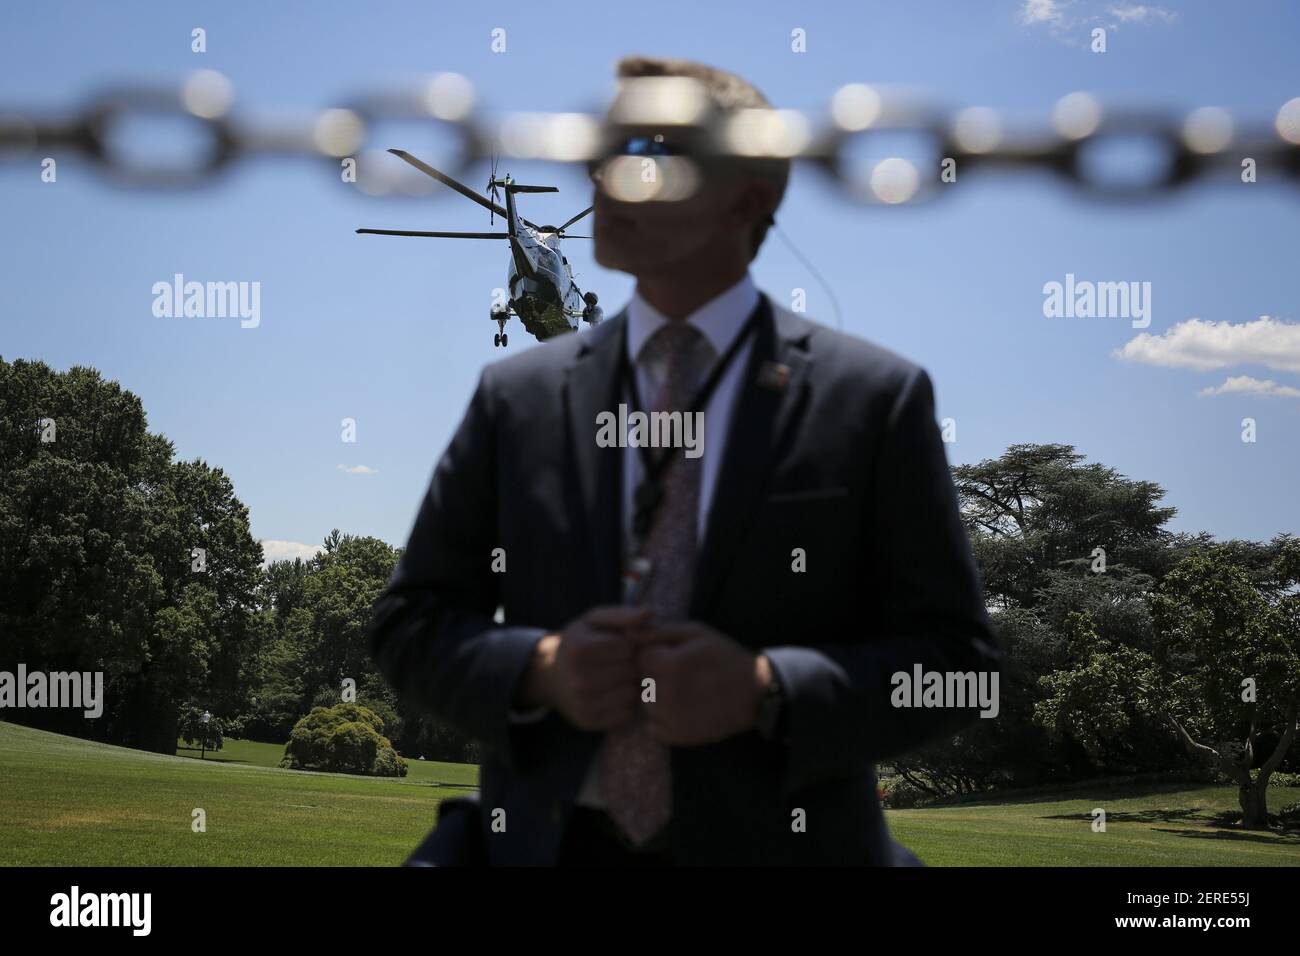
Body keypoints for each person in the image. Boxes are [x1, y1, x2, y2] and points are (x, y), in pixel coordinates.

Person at [370, 55, 1000, 866]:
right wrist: (539, 668)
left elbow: (960, 667)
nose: (605, 176)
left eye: (645, 155)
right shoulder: (516, 398)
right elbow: (410, 625)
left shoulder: (873, 399)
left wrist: (769, 689)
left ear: (747, 197)